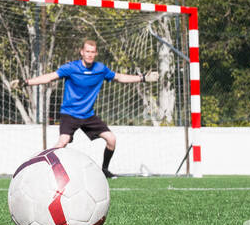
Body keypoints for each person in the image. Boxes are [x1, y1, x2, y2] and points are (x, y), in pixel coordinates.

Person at [23, 39, 157, 178]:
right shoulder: (71, 68)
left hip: (88, 115)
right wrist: (26, 82)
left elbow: (120, 77)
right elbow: (49, 77)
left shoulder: (100, 69)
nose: (90, 54)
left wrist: (142, 78)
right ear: (82, 52)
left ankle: (104, 170)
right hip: (70, 113)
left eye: (92, 52)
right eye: (87, 51)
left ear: (96, 53)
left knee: (111, 139)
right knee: (63, 141)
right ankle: (44, 171)